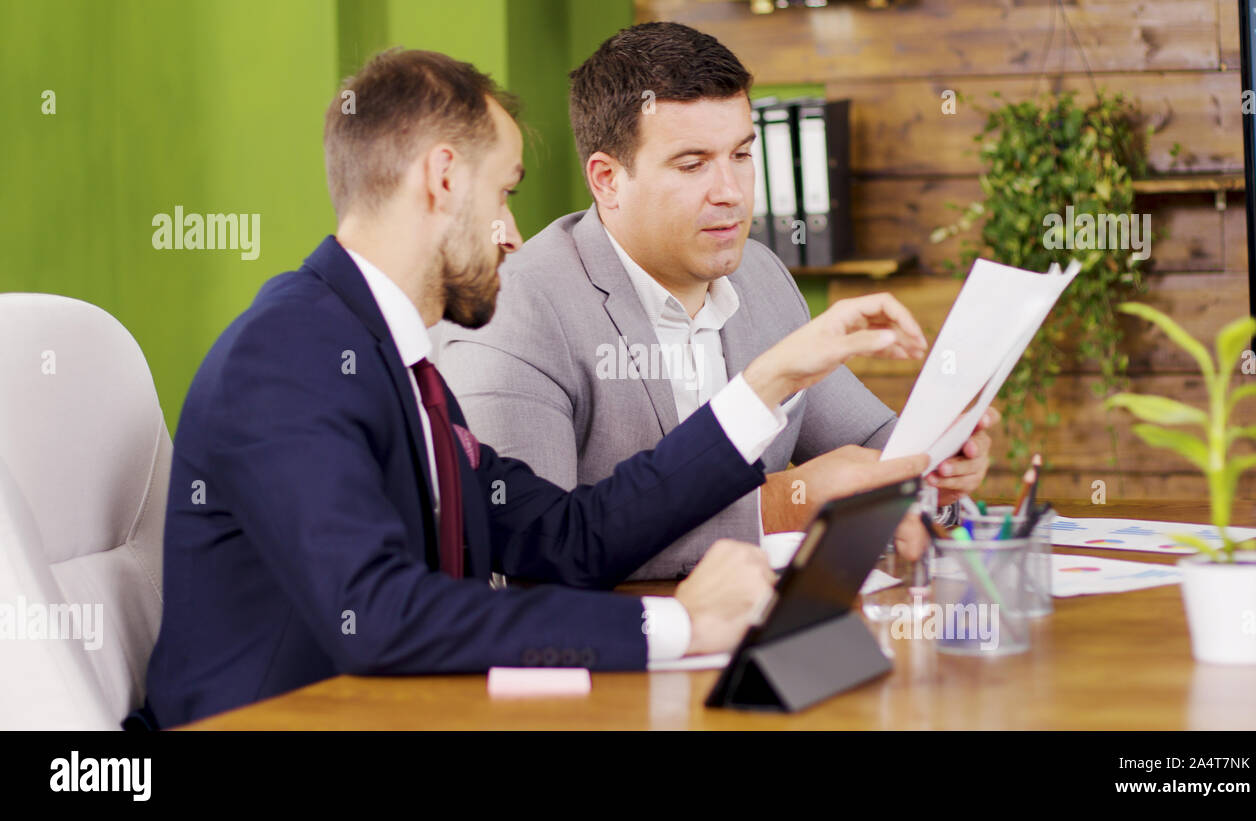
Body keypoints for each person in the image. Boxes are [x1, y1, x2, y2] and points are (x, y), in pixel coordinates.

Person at [133, 48, 930, 729]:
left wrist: (768, 381)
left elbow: (572, 534)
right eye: (505, 192)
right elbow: (379, 616)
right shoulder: (290, 353)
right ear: (444, 179)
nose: (514, 233)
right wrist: (675, 620)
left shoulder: (394, 363)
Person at [440, 22, 996, 580]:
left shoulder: (761, 274)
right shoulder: (516, 308)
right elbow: (538, 554)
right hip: (617, 653)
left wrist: (937, 461)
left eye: (741, 155)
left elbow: (878, 446)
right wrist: (780, 508)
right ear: (607, 180)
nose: (730, 191)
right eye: (693, 164)